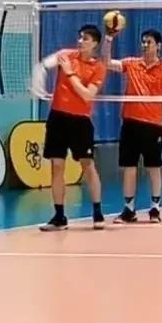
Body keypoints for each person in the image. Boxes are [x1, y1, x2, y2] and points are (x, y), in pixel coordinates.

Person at [30, 24, 108, 231]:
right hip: (58, 118)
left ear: (95, 44)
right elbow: (43, 66)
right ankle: (59, 216)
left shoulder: (98, 67)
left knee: (87, 166)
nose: (81, 41)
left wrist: (70, 74)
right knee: (56, 166)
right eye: (80, 37)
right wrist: (38, 84)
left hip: (80, 121)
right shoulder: (66, 55)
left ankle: (98, 213)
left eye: (86, 39)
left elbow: (87, 95)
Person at [102, 28, 162, 224]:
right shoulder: (132, 64)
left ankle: (155, 209)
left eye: (149, 42)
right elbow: (107, 63)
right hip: (130, 123)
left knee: (153, 167)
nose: (145, 45)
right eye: (143, 41)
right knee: (129, 167)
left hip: (152, 125)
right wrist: (109, 39)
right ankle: (129, 210)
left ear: (158, 45)